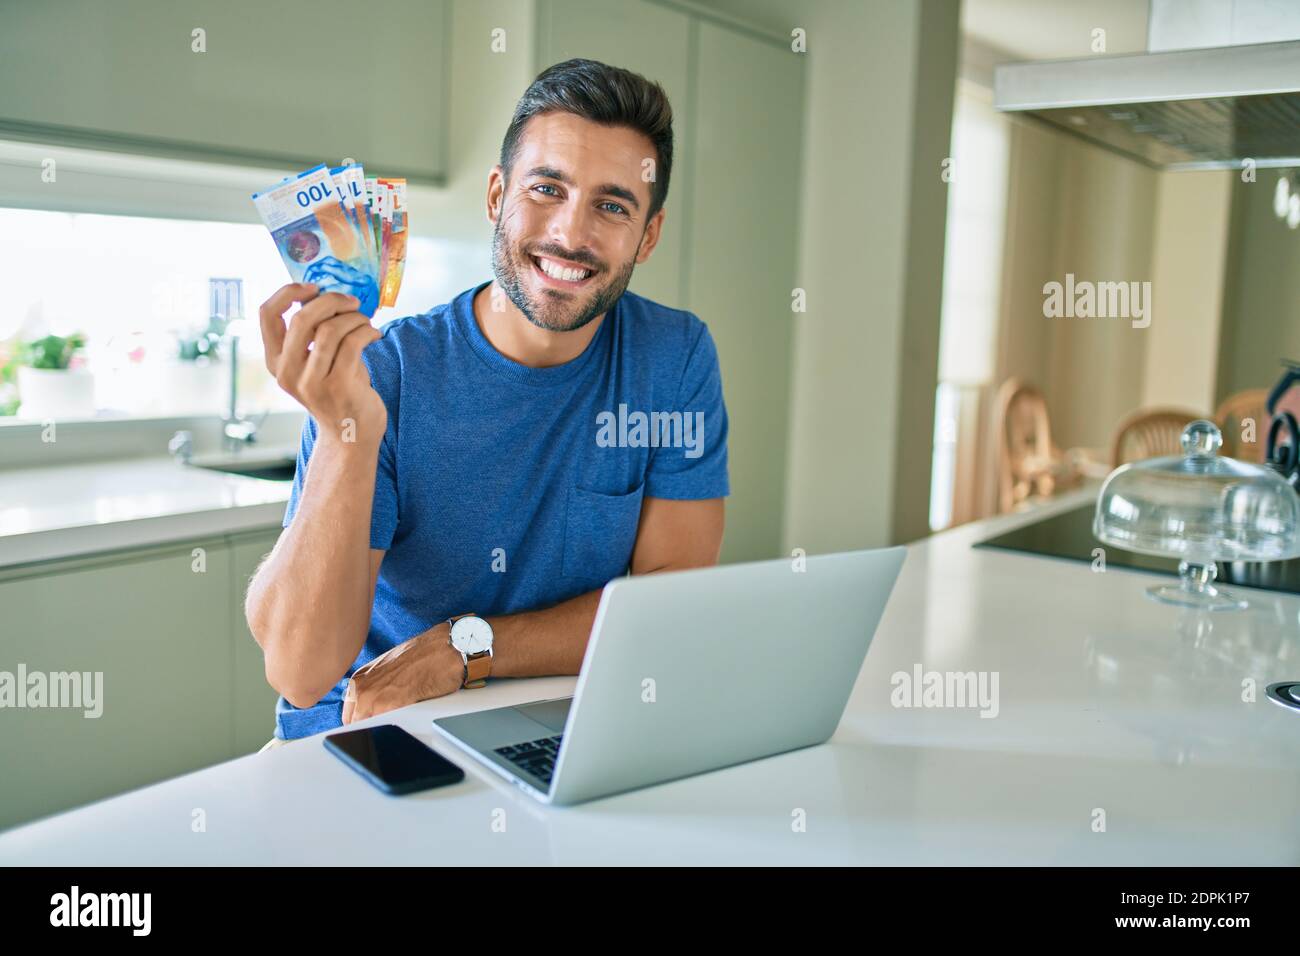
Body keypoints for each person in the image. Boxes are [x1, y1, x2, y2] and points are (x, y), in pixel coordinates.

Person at [246, 58, 729, 747]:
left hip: (562, 724)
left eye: (613, 205)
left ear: (647, 235)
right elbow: (300, 671)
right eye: (547, 189)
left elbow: (670, 607)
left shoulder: (674, 358)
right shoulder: (385, 370)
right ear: (497, 195)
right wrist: (346, 435)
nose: (571, 232)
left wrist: (467, 648)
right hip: (380, 730)